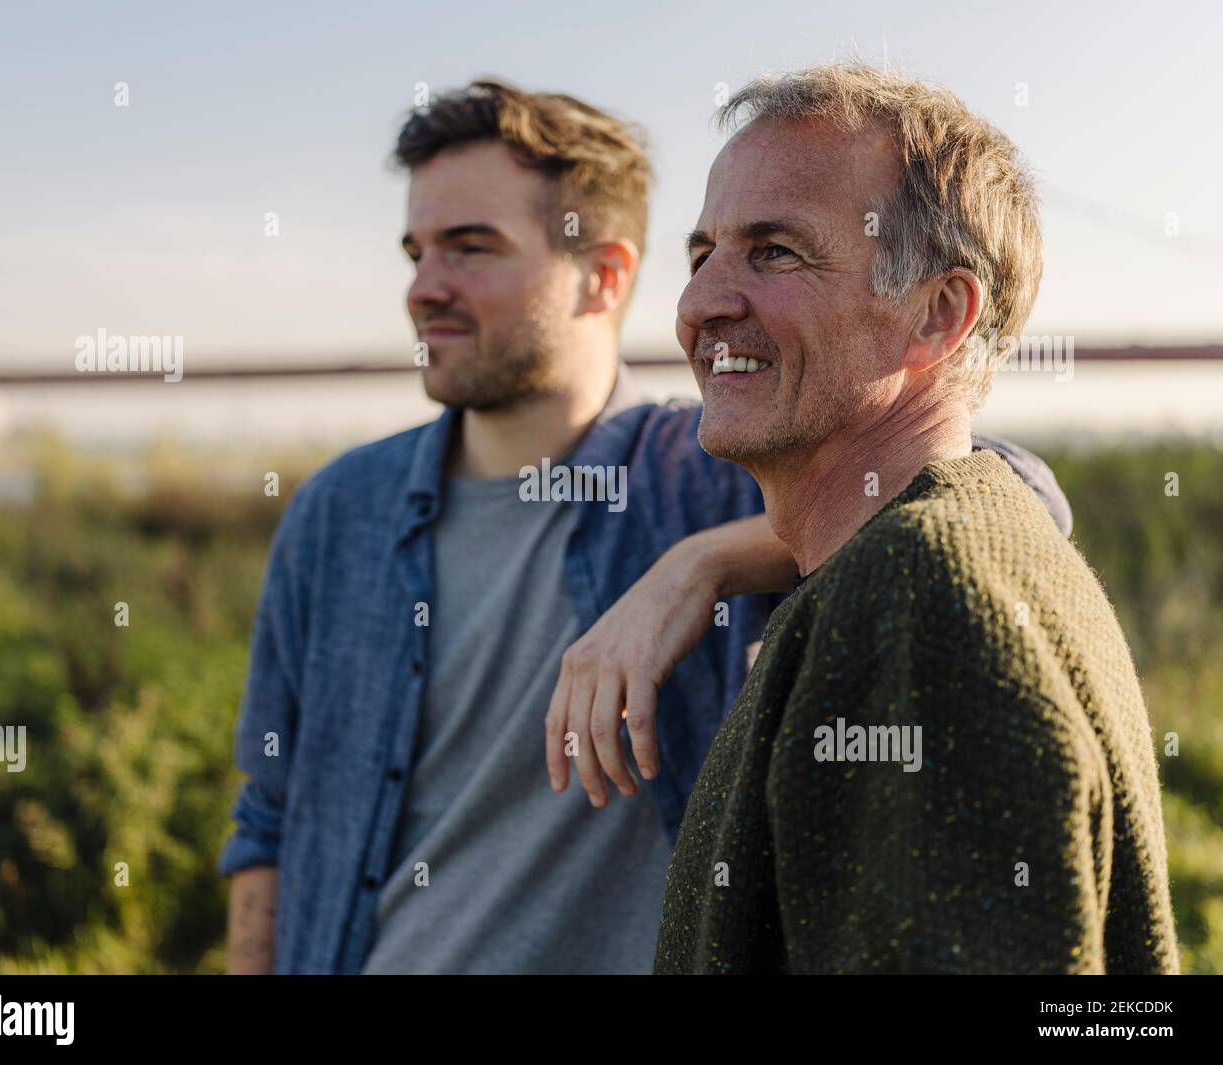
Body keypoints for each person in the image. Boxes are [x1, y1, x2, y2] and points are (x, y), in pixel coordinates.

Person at [217, 79, 1071, 975]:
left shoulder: (715, 472)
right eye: (416, 251)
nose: (424, 289)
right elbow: (268, 820)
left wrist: (701, 564)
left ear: (605, 275)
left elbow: (1001, 491)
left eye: (470, 248)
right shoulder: (339, 512)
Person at [648, 64, 1178, 974]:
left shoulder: (920, 598)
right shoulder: (950, 552)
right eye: (703, 255)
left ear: (938, 314)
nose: (700, 305)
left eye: (774, 250)